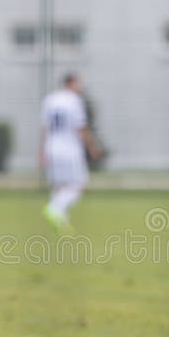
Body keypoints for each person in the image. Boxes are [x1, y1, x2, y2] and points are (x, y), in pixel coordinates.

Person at [39, 73, 102, 232]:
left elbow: (45, 128)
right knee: (79, 183)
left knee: (59, 186)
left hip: (51, 147)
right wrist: (92, 147)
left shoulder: (50, 99)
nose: (80, 88)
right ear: (71, 84)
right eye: (78, 84)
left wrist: (41, 151)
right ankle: (55, 208)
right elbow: (80, 127)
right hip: (69, 148)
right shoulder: (74, 101)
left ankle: (62, 223)